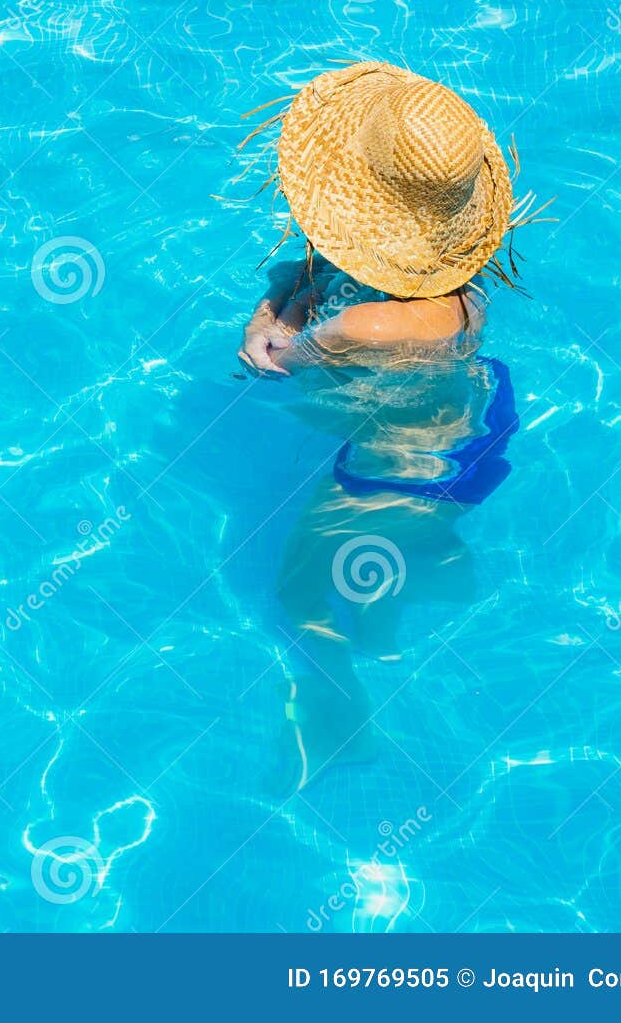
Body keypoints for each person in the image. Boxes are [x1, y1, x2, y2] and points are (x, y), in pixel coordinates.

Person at [234, 61, 546, 791]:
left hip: (389, 478)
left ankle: (337, 725)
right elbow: (317, 284)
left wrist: (262, 321)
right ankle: (386, 625)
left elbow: (278, 359)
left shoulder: (364, 325)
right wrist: (302, 287)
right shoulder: (461, 286)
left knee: (296, 595)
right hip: (476, 435)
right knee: (381, 562)